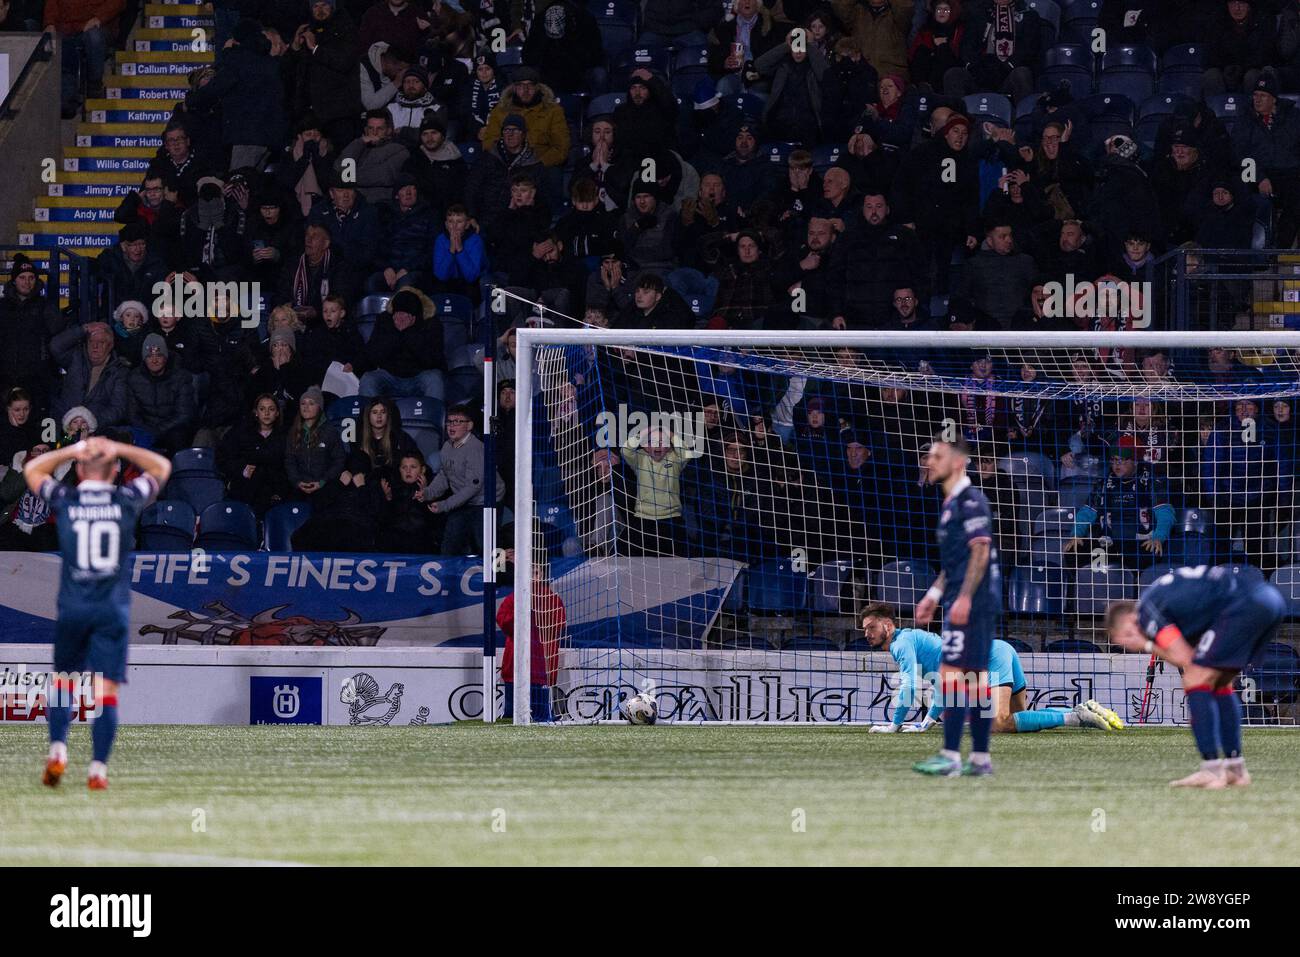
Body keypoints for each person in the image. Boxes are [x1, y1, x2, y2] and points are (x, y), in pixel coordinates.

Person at [24, 435, 172, 789]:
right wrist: (117, 449)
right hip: (111, 610)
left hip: (74, 607)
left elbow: (32, 468)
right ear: (115, 471)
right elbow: (163, 467)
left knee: (62, 682)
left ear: (77, 470)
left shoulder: (68, 499)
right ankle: (97, 771)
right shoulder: (125, 500)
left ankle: (58, 749)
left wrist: (75, 449)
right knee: (105, 693)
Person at [1106, 564, 1287, 788]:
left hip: (1242, 606)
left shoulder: (1146, 611)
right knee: (1221, 683)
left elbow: (1184, 660)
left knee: (1194, 679)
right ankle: (1235, 769)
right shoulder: (1177, 606)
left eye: (1124, 640)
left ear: (1128, 625)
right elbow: (1190, 654)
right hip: (1270, 601)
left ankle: (1211, 769)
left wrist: (1147, 643)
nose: (1129, 646)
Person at [860, 602, 1122, 732]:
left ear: (888, 625)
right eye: (864, 630)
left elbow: (909, 684)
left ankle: (1076, 718)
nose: (867, 634)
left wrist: (893, 726)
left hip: (989, 657)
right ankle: (1083, 710)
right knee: (1019, 718)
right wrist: (925, 723)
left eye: (872, 627)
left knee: (999, 723)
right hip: (999, 650)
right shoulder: (914, 641)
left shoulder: (901, 643)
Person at [912, 435, 1003, 776]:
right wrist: (933, 597)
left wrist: (963, 598)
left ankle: (951, 757)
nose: (929, 461)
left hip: (973, 600)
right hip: (966, 597)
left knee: (953, 674)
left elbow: (980, 551)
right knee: (974, 677)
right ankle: (979, 760)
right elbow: (956, 562)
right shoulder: (951, 503)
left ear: (958, 462)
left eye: (937, 456)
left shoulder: (970, 501)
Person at [421, 405, 504, 554]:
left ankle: (499, 574)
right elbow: (445, 474)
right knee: (449, 544)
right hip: (464, 502)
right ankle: (447, 575)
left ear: (469, 426)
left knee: (488, 545)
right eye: (449, 421)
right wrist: (427, 493)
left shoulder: (476, 449)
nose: (452, 426)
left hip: (486, 502)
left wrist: (445, 505)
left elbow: (472, 487)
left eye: (458, 421)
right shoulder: (447, 447)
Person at [497, 554, 565, 722]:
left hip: (541, 668)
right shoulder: (513, 599)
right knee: (512, 716)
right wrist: (523, 612)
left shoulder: (551, 599)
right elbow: (504, 623)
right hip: (516, 668)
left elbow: (558, 625)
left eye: (536, 572)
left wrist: (536, 610)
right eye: (530, 572)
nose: (534, 576)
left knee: (542, 717)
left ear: (541, 575)